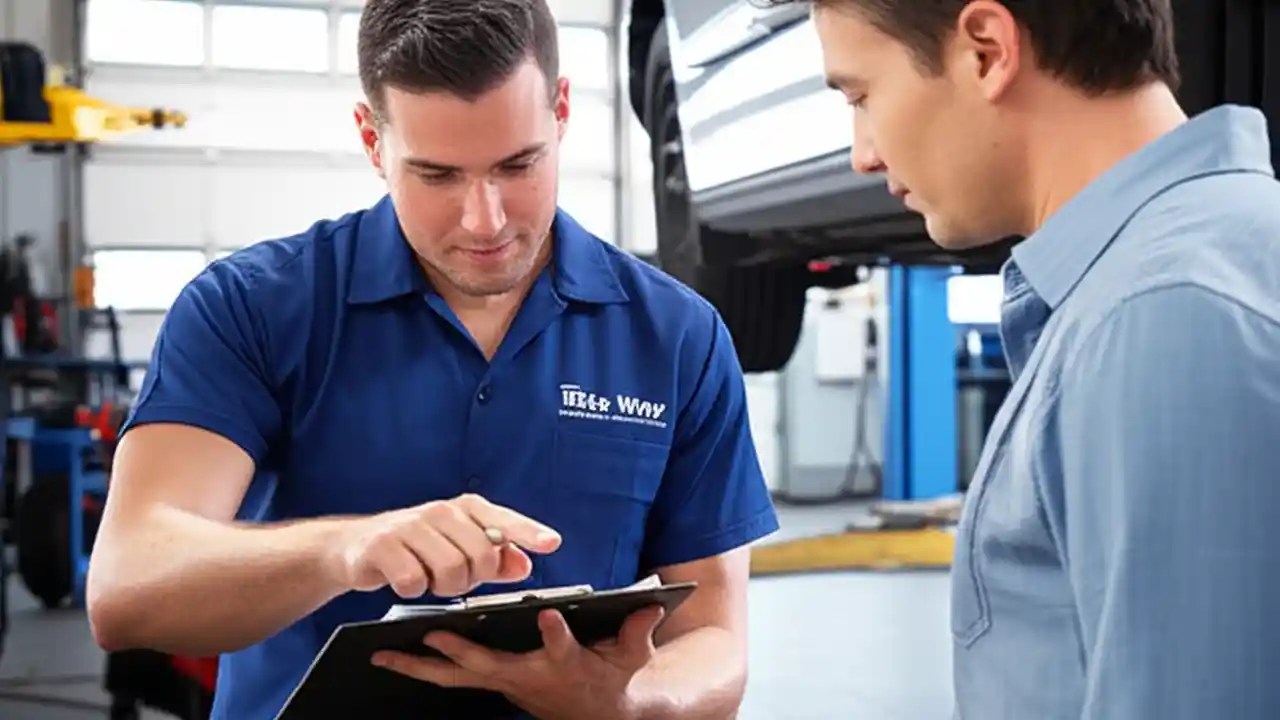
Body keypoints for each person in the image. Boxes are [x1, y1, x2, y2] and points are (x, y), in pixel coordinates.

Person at [84, 1, 780, 718]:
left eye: (519, 164)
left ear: (562, 110)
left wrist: (629, 702)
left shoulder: (677, 337)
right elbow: (128, 589)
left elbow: (717, 639)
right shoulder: (252, 309)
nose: (486, 220)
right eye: (438, 176)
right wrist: (345, 551)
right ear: (371, 138)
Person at [790, 0, 1280, 717]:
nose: (862, 152)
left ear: (986, 50)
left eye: (863, 95)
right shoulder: (1164, 277)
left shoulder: (1163, 314)